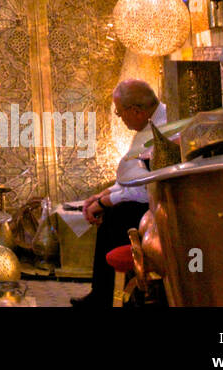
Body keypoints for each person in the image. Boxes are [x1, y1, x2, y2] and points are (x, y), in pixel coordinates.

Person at [71, 80, 167, 307]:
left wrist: (106, 202)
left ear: (136, 110)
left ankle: (106, 297)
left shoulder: (162, 128)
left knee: (116, 216)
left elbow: (145, 188)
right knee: (111, 213)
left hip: (158, 207)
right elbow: (130, 175)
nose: (120, 118)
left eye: (120, 112)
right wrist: (103, 195)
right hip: (143, 198)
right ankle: (101, 292)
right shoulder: (147, 123)